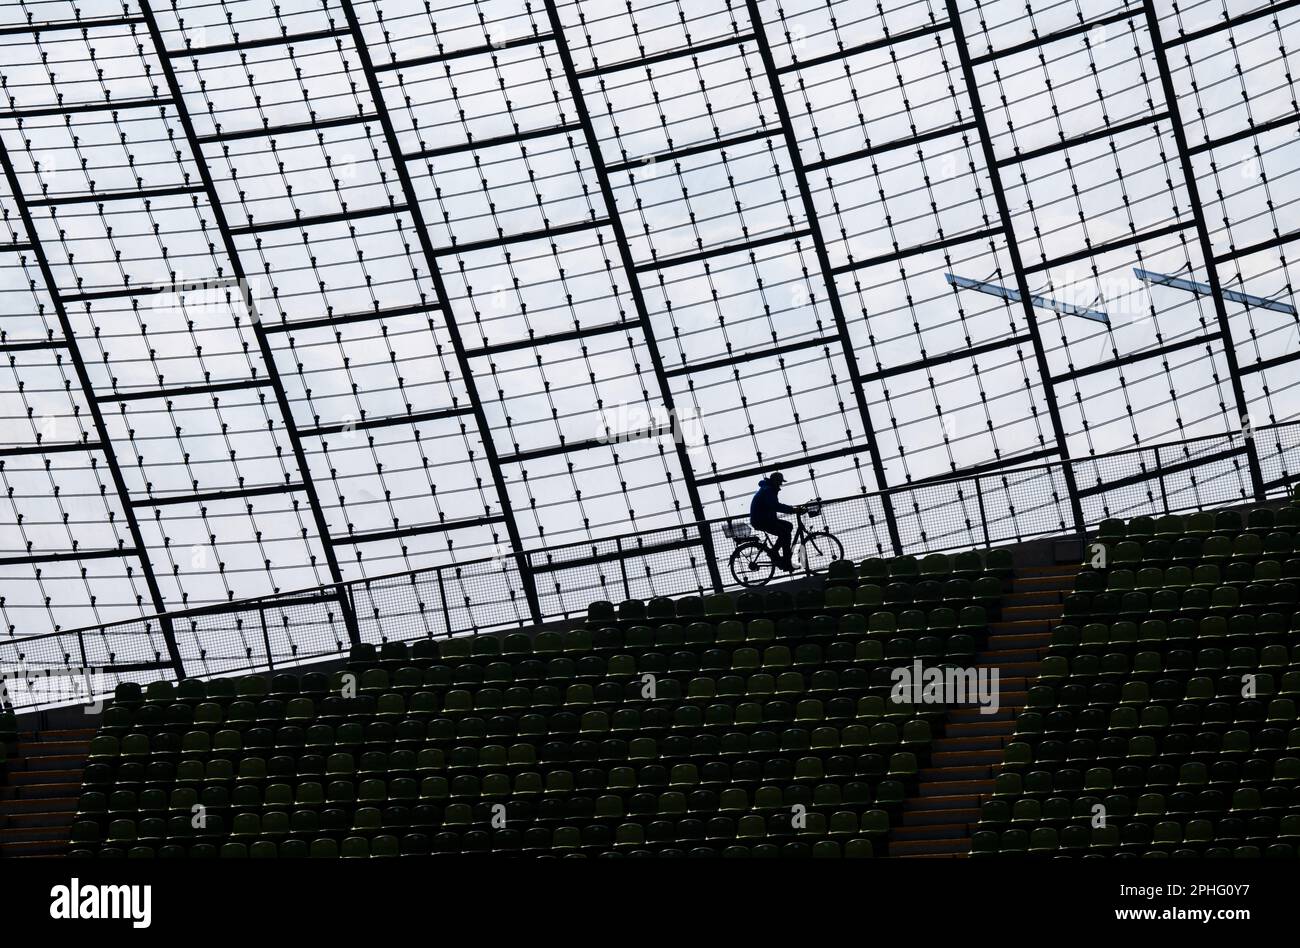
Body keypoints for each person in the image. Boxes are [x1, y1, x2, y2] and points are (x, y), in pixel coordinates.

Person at [750, 471, 799, 571]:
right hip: (763, 520)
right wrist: (792, 510)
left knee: (788, 526)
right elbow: (775, 505)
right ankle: (785, 561)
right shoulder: (768, 490)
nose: (781, 484)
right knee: (785, 534)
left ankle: (776, 552)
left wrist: (791, 509)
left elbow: (773, 505)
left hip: (763, 518)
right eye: (780, 481)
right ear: (775, 481)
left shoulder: (767, 488)